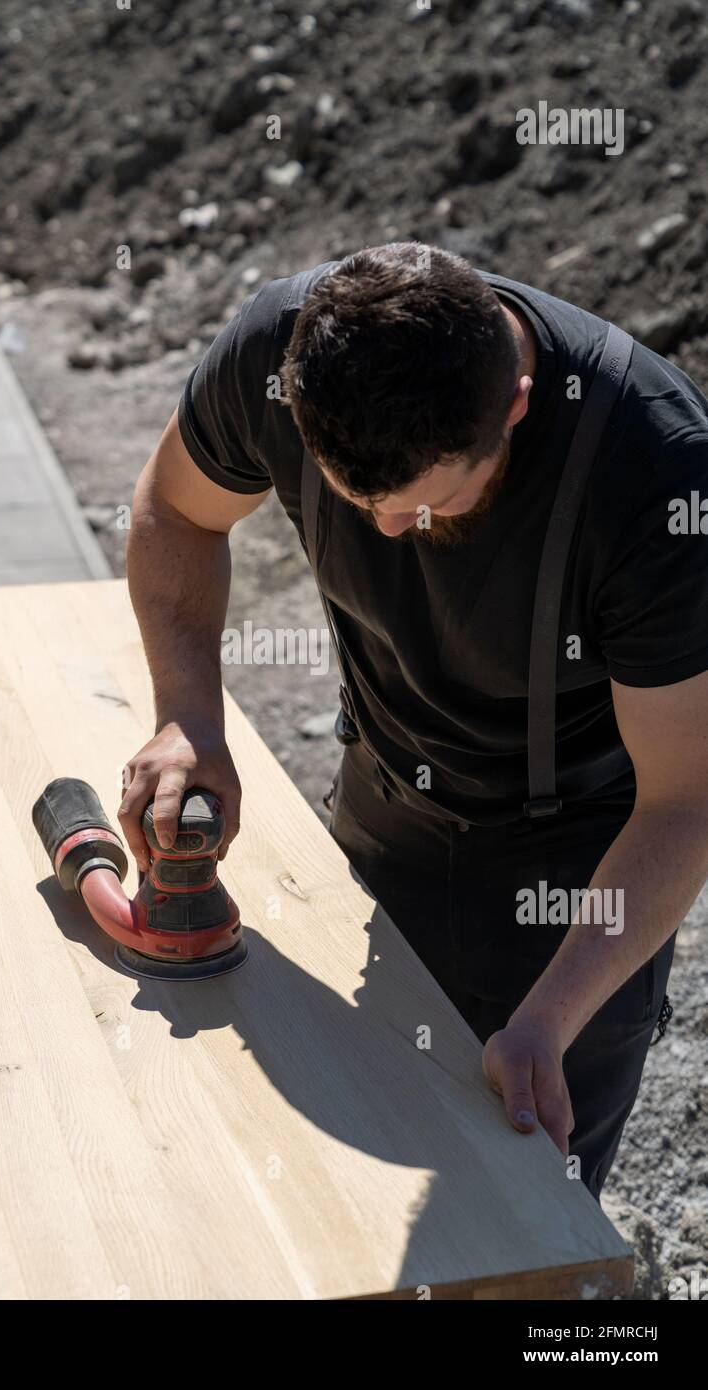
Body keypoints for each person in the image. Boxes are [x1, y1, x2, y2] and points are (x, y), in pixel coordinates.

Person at [119, 242, 708, 1198]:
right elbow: (179, 512)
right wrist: (189, 719)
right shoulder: (281, 350)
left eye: (427, 502)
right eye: (361, 501)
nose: (390, 531)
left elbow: (685, 802)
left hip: (578, 871)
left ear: (515, 406)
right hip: (386, 802)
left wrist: (548, 1021)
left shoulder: (654, 470)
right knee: (356, 1173)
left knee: (529, 1220)